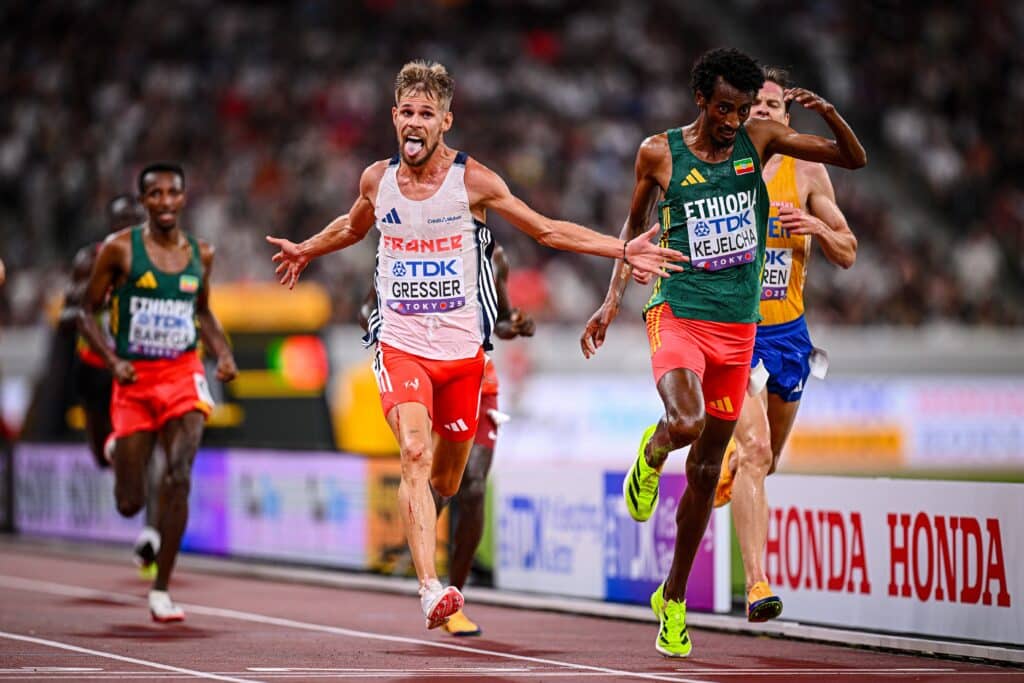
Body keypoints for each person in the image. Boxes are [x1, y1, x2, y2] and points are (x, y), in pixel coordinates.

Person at [267, 59, 683, 631]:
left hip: (464, 356)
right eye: (406, 113)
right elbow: (352, 225)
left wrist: (622, 250)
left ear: (445, 121)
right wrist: (307, 249)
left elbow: (547, 230)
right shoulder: (376, 180)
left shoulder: (473, 182)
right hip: (401, 344)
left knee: (448, 480)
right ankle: (429, 588)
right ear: (394, 117)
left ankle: (425, 550)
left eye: (426, 114)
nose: (415, 123)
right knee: (413, 453)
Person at [580, 47, 865, 658]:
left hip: (740, 326)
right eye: (725, 109)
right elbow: (631, 233)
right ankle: (652, 453)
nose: (735, 120)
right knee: (687, 421)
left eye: (743, 109)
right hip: (678, 311)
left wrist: (832, 114)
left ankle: (674, 600)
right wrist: (609, 304)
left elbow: (853, 157)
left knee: (709, 472)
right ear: (701, 101)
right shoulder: (659, 153)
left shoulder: (760, 139)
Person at [712, 67, 858, 623]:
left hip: (790, 333)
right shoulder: (723, 166)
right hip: (737, 329)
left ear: (787, 118)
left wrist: (815, 229)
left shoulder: (808, 171)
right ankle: (757, 586)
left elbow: (847, 251)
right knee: (755, 450)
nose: (765, 112)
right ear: (742, 112)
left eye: (775, 106)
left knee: (765, 461)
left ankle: (733, 460)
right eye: (757, 106)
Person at [79, 162, 237, 622]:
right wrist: (112, 361)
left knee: (179, 475)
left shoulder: (200, 254)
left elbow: (203, 312)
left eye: (173, 193)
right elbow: (85, 314)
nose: (165, 202)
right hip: (133, 381)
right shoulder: (119, 251)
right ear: (144, 201)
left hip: (182, 374)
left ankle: (162, 588)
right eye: (156, 194)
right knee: (130, 503)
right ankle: (117, 449)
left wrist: (223, 354)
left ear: (184, 199)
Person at [359, 242, 534, 636]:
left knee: (470, 485)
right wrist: (381, 329)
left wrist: (517, 323)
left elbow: (500, 321)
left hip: (475, 380)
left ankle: (455, 597)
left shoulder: (491, 256)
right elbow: (366, 307)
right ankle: (429, 580)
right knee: (431, 478)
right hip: (419, 371)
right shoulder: (404, 246)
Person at [63, 195, 166, 578]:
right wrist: (101, 300)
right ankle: (114, 450)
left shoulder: (158, 258)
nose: (130, 229)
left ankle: (151, 534)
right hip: (94, 366)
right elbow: (71, 312)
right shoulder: (92, 259)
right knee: (102, 456)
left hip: (135, 367)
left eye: (136, 221)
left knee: (151, 450)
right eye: (122, 222)